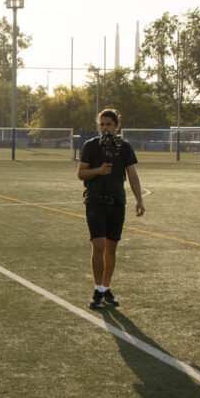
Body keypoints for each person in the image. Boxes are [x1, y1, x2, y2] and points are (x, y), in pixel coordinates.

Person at [77, 108, 144, 309]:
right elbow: (81, 173)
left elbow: (132, 174)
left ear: (117, 126)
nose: (105, 128)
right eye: (102, 124)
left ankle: (106, 289)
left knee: (112, 247)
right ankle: (97, 289)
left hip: (116, 202)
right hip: (95, 201)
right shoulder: (91, 146)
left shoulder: (124, 147)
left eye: (109, 124)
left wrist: (139, 200)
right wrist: (99, 171)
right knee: (98, 245)